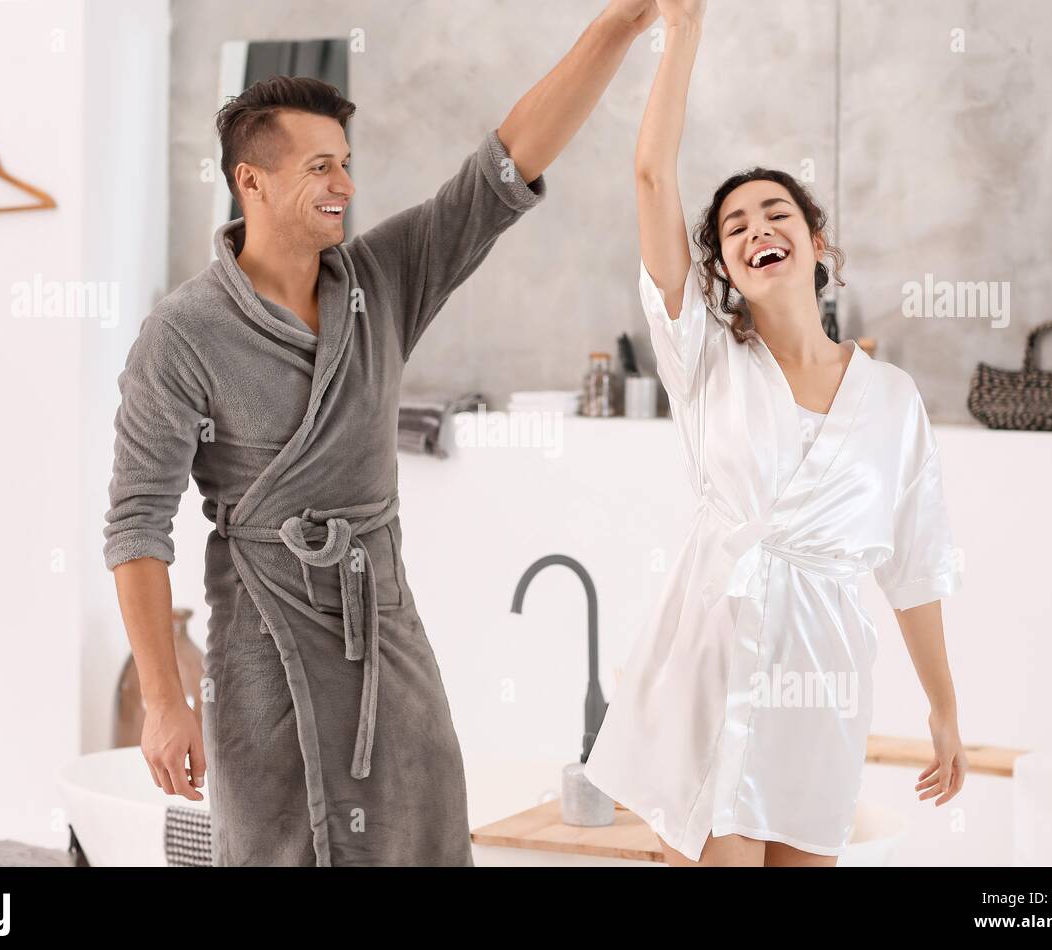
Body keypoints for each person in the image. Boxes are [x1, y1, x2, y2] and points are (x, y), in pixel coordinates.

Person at [103, 1, 663, 866]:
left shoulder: (383, 282)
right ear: (250, 182)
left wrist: (622, 25)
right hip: (266, 659)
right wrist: (164, 700)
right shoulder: (182, 333)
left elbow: (502, 170)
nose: (346, 187)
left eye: (348, 164)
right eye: (321, 166)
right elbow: (136, 526)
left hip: (389, 652)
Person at [582, 0, 968, 867]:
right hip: (716, 662)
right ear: (721, 269)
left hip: (824, 686)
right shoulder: (706, 358)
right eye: (735, 226)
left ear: (818, 243)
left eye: (777, 214)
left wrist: (944, 709)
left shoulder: (893, 400)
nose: (758, 228)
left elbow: (915, 566)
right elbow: (651, 176)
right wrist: (683, 30)